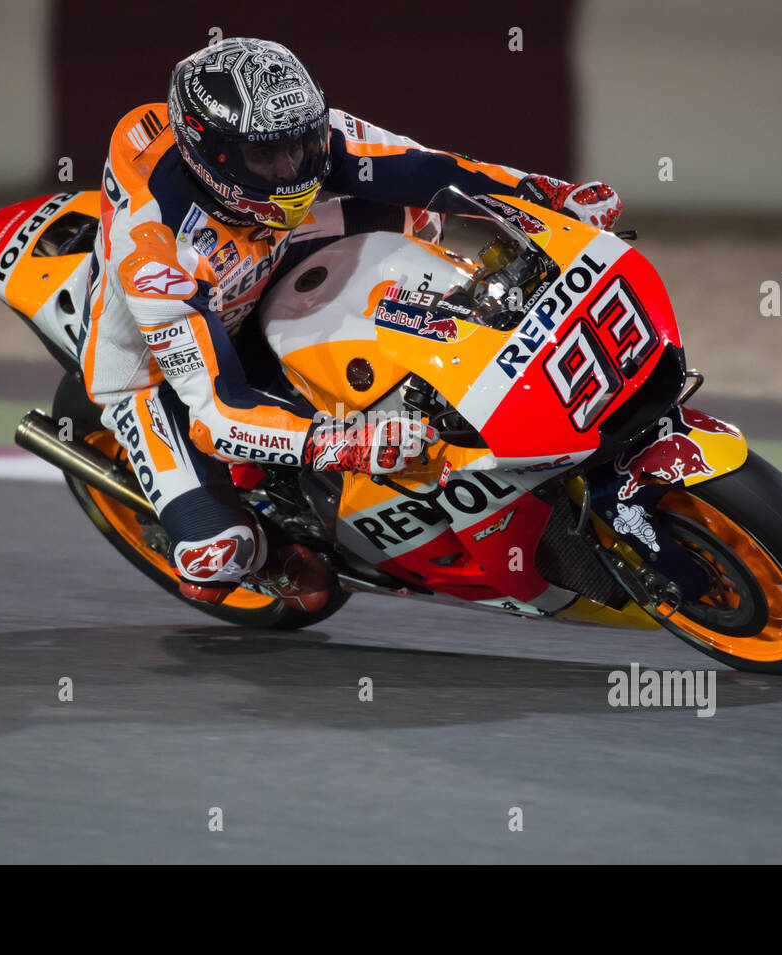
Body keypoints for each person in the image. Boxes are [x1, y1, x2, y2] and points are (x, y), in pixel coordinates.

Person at [79, 36, 622, 612]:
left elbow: (429, 169)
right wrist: (339, 439)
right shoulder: (156, 256)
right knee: (218, 554)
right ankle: (265, 557)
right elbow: (219, 415)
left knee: (423, 220)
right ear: (209, 155)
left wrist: (542, 195)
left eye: (301, 145)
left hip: (263, 260)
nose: (292, 169)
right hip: (161, 371)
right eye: (267, 157)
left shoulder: (296, 137)